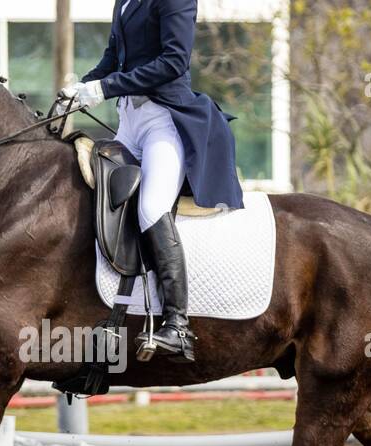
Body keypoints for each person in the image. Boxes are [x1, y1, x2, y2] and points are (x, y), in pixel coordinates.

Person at [62, 0, 243, 363]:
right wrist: (84, 87)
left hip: (165, 119)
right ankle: (105, 307)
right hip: (129, 121)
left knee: (150, 207)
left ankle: (178, 324)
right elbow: (113, 56)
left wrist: (105, 87)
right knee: (95, 193)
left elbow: (173, 61)